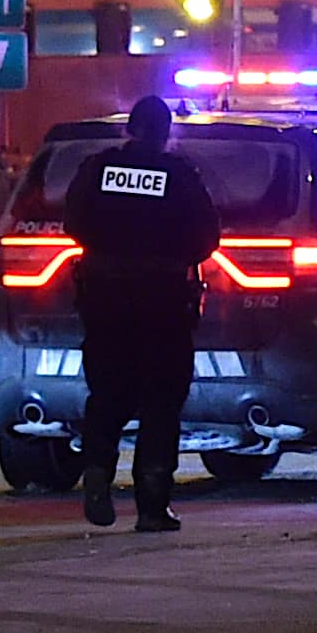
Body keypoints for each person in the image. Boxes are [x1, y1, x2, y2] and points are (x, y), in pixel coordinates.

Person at [63, 94, 222, 532]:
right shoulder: (179, 175)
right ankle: (152, 505)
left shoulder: (98, 170)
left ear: (129, 128)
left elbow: (73, 223)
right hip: (164, 303)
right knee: (161, 402)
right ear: (165, 132)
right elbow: (207, 238)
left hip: (105, 298)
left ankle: (96, 472)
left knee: (108, 393)